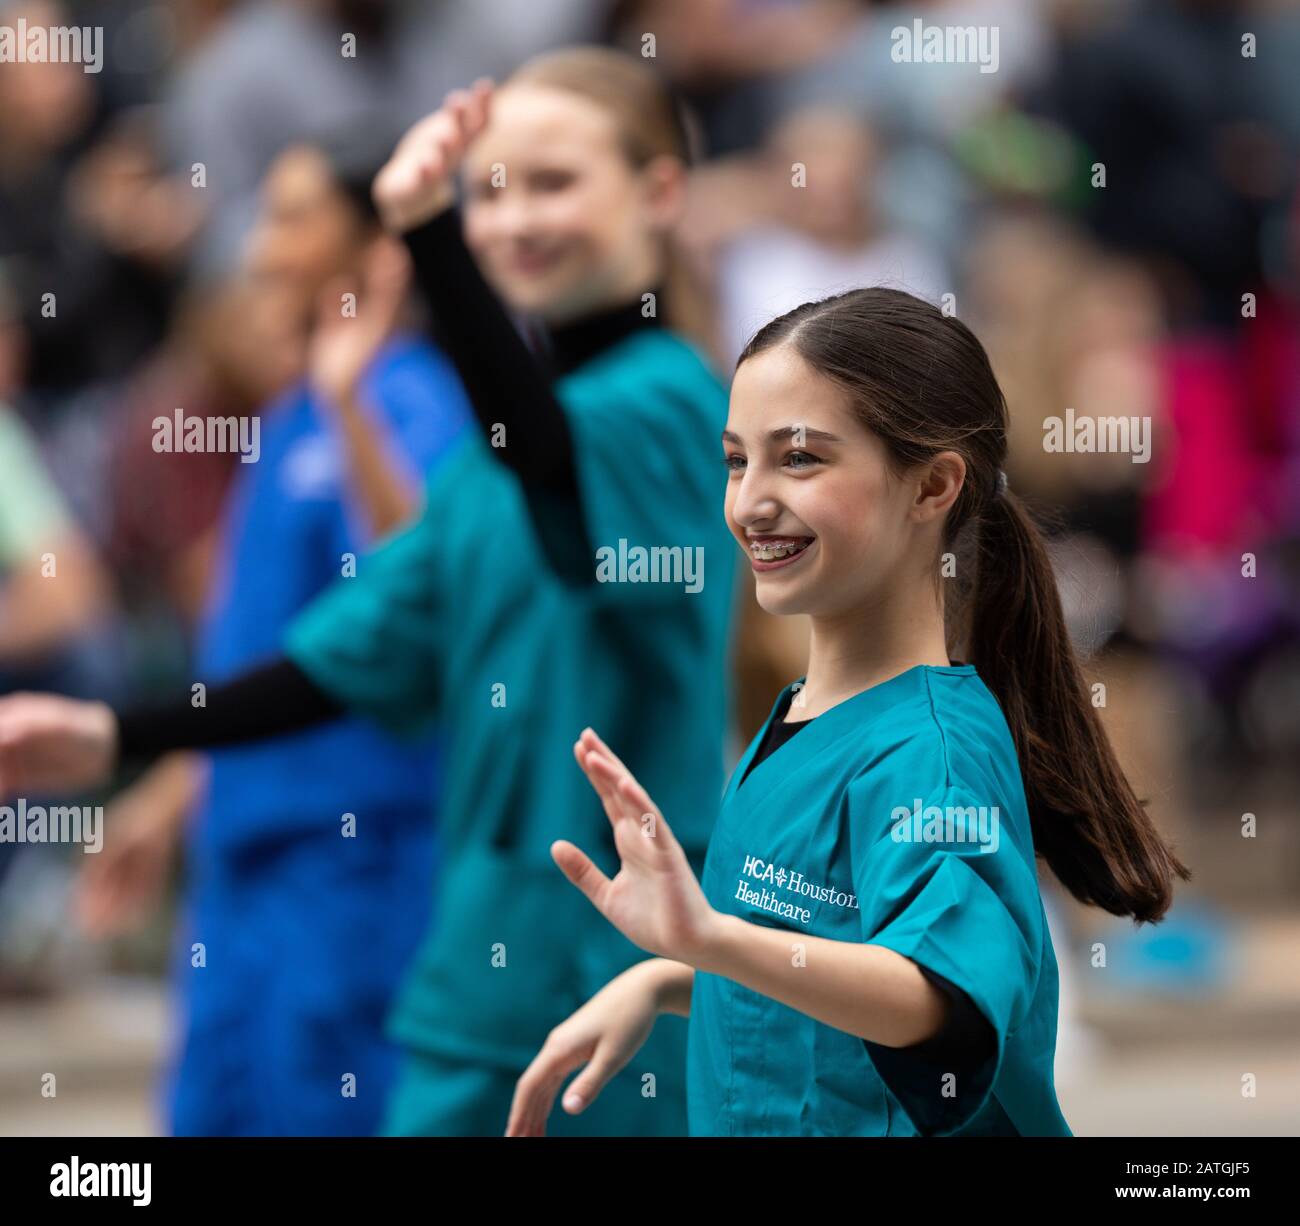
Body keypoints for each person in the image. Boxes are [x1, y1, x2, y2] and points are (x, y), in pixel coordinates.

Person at [0, 49, 737, 1137]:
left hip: (615, 987)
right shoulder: (484, 461)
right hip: (477, 979)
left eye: (553, 182)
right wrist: (117, 732)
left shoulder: (671, 402)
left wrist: (431, 231)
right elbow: (350, 650)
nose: (513, 218)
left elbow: (559, 478)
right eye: (491, 188)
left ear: (659, 191)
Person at [506, 288, 1191, 1137]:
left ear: (934, 485)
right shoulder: (808, 712)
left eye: (798, 459)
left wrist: (711, 943)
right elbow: (818, 960)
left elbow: (933, 995)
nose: (750, 500)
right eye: (734, 460)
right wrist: (671, 979)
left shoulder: (930, 754)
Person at [77, 139, 475, 1135]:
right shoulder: (291, 412)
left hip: (354, 860)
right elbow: (272, 652)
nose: (262, 249)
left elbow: (421, 591)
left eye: (293, 217)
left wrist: (350, 409)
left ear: (379, 247)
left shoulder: (408, 397)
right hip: (244, 861)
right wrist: (169, 793)